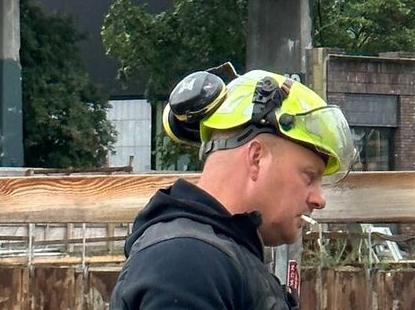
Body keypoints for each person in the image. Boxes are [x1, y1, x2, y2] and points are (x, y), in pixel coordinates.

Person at [111, 68, 356, 310]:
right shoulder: (187, 263)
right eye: (309, 176)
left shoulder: (212, 257)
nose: (319, 199)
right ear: (256, 158)